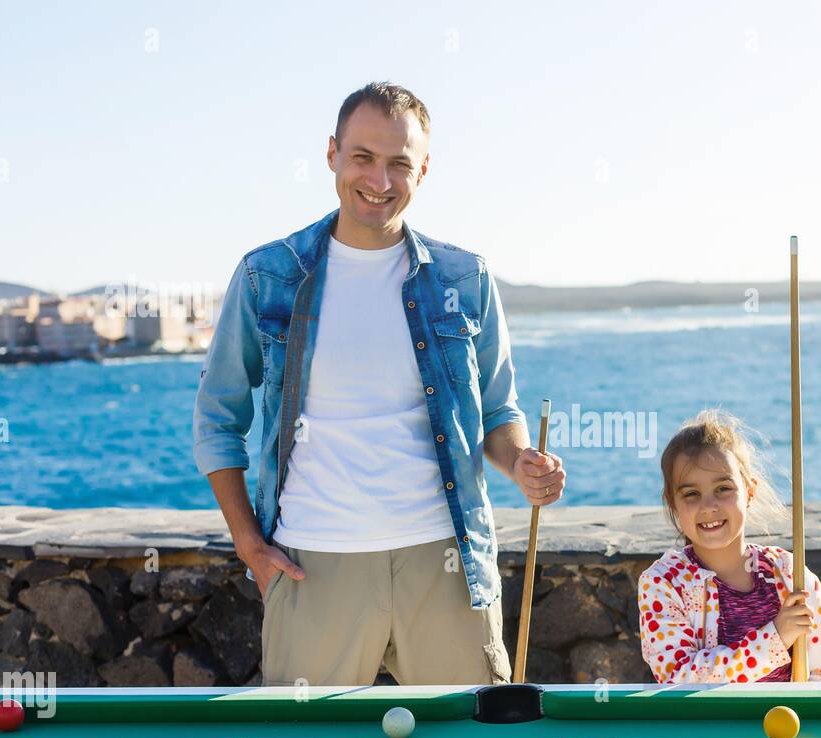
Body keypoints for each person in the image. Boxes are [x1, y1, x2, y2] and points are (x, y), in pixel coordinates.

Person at [193, 82, 564, 687]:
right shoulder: (268, 275)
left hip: (447, 560)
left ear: (424, 170)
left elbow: (497, 412)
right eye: (363, 157)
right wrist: (249, 546)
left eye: (399, 163)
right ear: (333, 153)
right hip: (313, 562)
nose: (379, 180)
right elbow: (217, 418)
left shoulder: (464, 276)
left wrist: (522, 460)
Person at [638, 409, 821, 683]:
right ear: (673, 503)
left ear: (750, 492)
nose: (709, 506)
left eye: (723, 489)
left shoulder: (792, 575)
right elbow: (679, 677)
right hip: (708, 727)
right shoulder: (663, 583)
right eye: (691, 494)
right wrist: (774, 639)